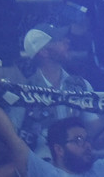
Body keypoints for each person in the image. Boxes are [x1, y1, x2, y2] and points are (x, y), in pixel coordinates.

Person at [0, 109, 104, 177]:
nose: (87, 145)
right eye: (78, 140)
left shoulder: (99, 170)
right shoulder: (44, 172)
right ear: (59, 150)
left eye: (87, 139)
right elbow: (12, 139)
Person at [15, 23, 95, 155]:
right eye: (59, 41)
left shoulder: (82, 85)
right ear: (44, 52)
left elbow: (93, 127)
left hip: (76, 166)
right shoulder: (23, 91)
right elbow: (12, 134)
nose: (67, 41)